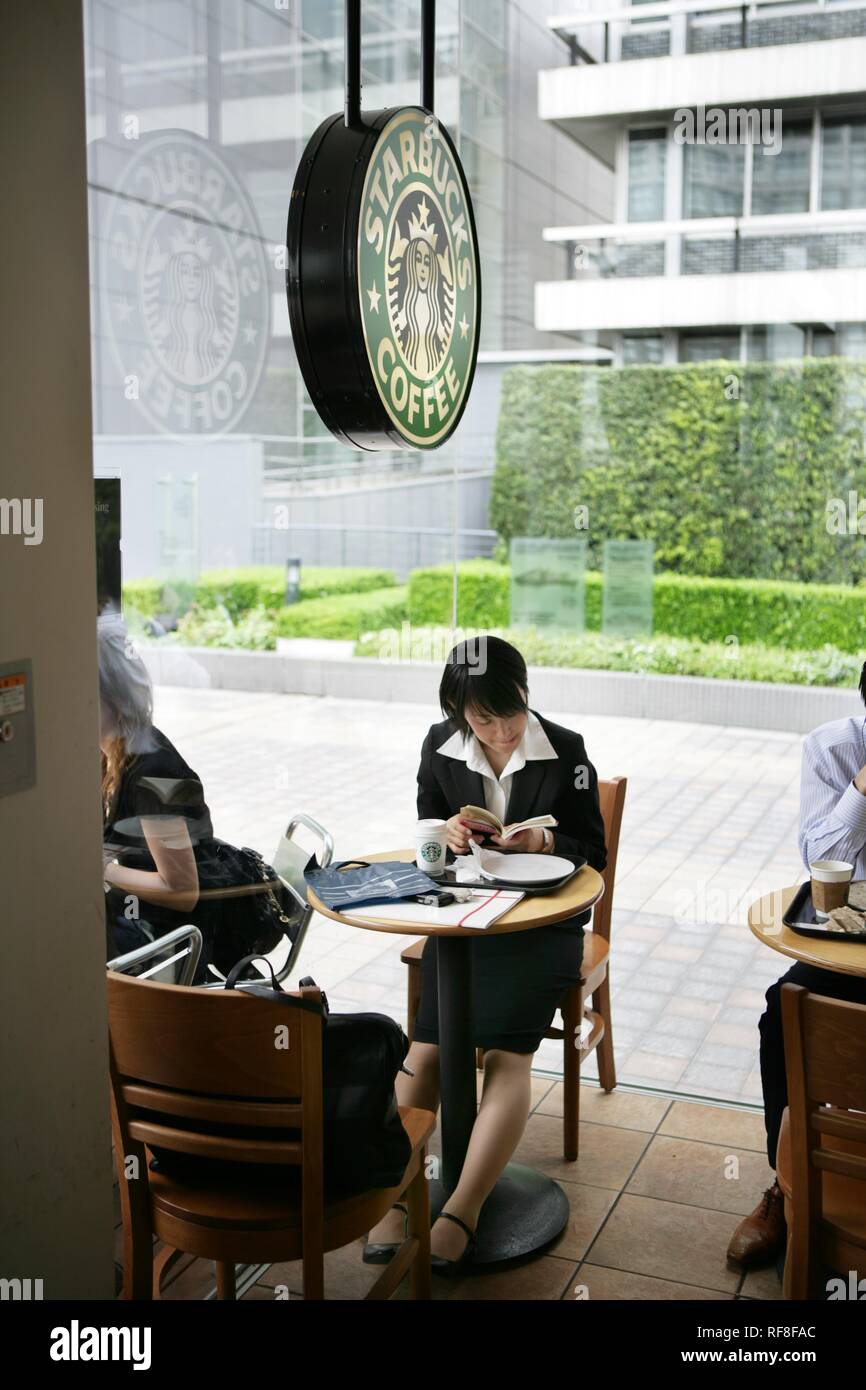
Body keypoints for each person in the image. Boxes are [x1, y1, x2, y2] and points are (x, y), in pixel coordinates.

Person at [364, 637, 607, 1272]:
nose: (500, 731)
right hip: (466, 922)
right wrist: (443, 834)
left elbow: (593, 850)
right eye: (482, 720)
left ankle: (462, 1208)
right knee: (428, 1045)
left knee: (505, 1052)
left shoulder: (566, 750)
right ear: (457, 710)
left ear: (526, 694)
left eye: (512, 713)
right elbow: (427, 833)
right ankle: (396, 1194)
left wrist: (545, 836)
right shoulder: (438, 746)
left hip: (541, 925)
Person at [726, 664, 866, 1268]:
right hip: (848, 933)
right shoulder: (832, 748)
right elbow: (821, 861)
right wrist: (862, 789)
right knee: (784, 1014)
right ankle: (787, 1187)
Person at [99, 614, 214, 969]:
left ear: (114, 699)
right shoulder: (110, 752)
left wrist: (101, 870)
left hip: (168, 935)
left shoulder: (152, 770)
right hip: (140, 914)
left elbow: (181, 891)